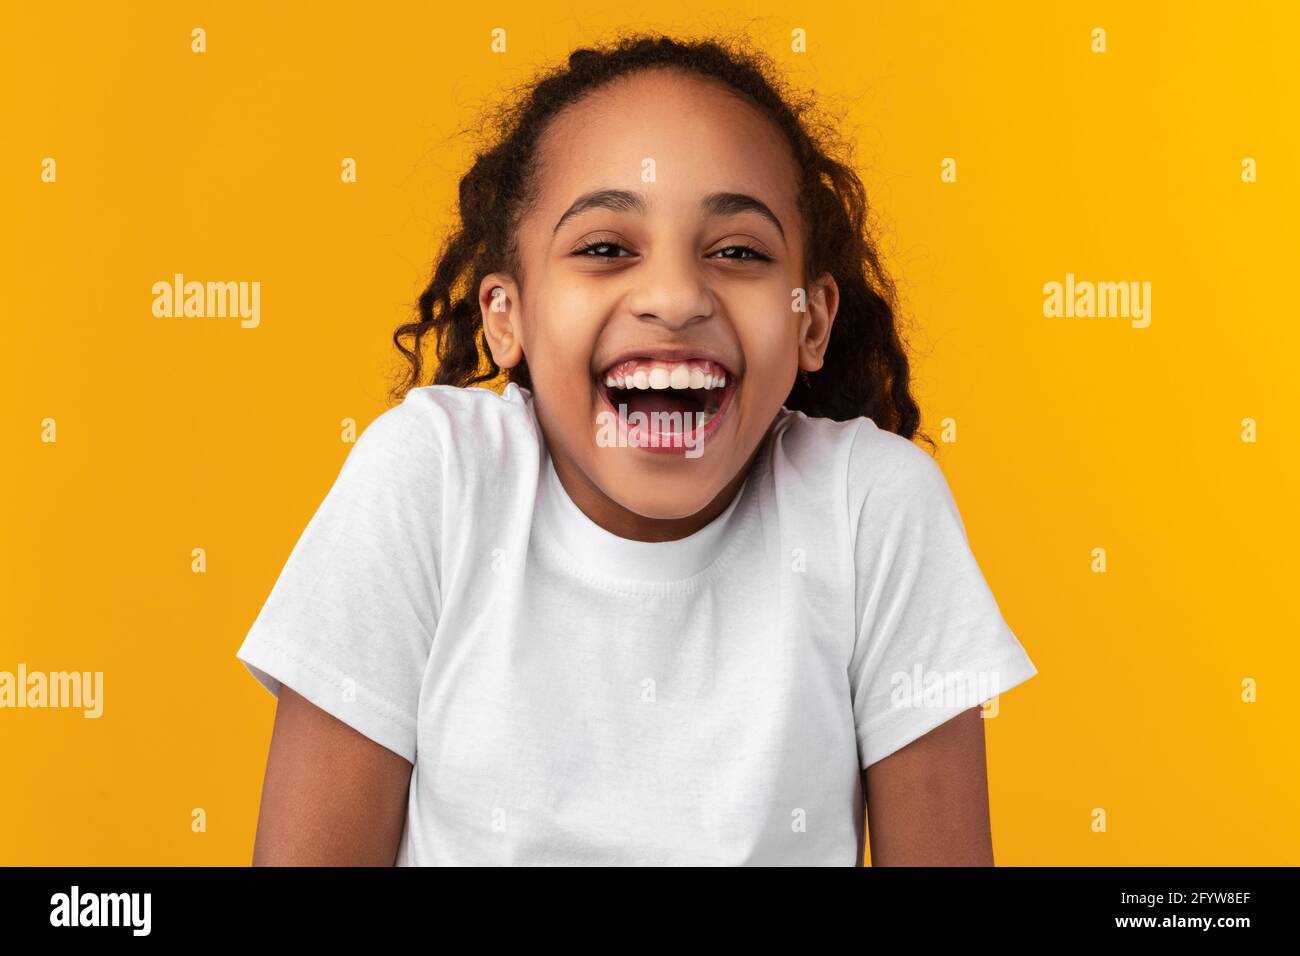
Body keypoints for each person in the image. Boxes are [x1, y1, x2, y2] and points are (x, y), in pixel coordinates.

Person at [236, 33, 1038, 866]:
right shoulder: (432, 479)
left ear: (812, 321)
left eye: (737, 253)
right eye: (606, 249)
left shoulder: (872, 506)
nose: (675, 296)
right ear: (505, 316)